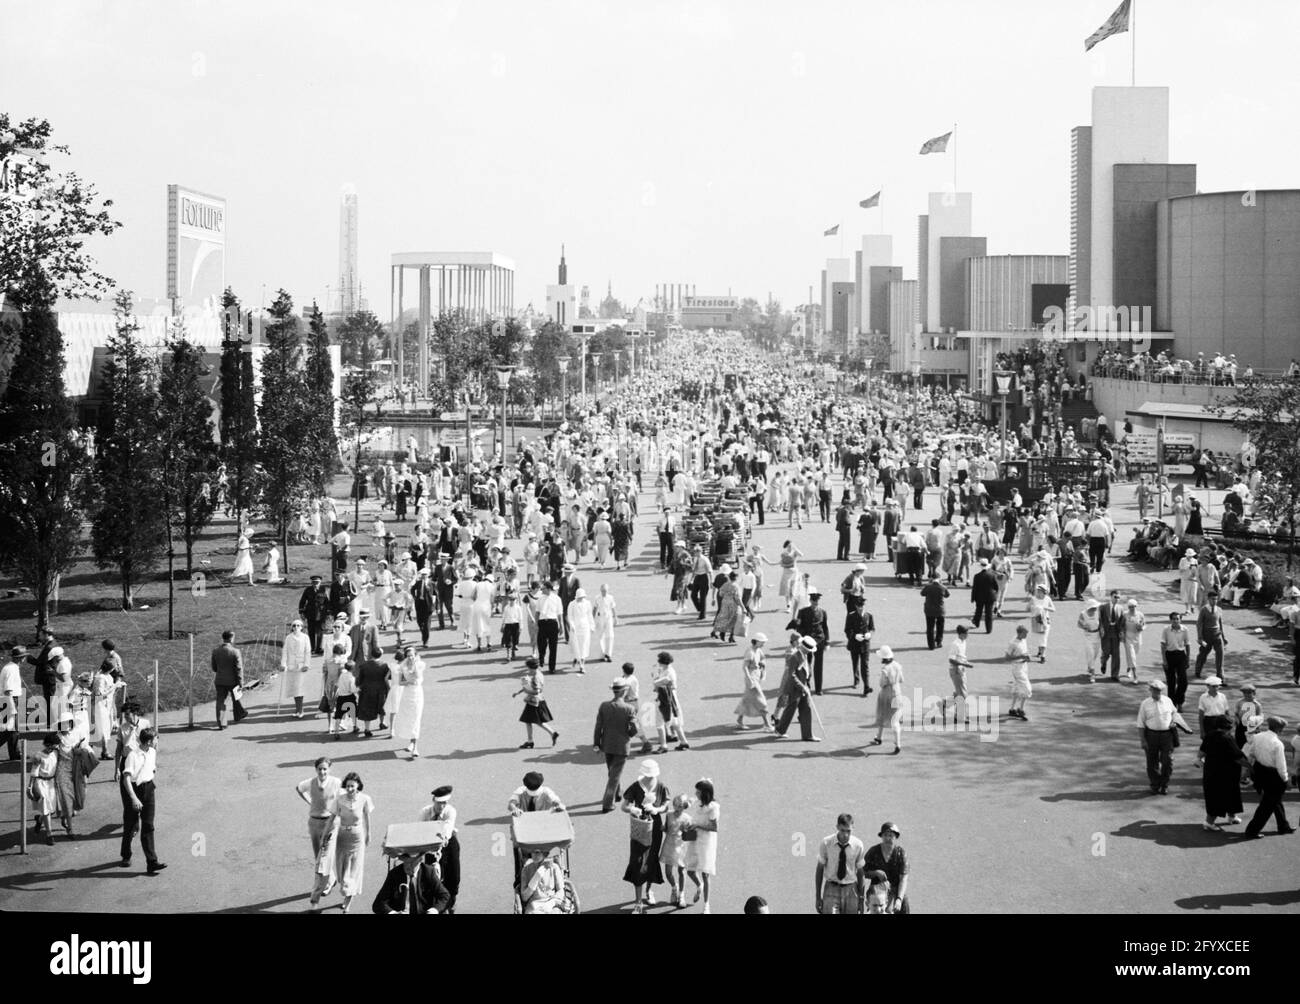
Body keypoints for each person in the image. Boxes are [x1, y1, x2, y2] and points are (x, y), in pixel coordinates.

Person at [622, 759, 670, 914]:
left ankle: (649, 890)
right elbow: (624, 806)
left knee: (651, 859)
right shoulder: (635, 786)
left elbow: (666, 805)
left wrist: (657, 809)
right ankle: (638, 902)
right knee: (638, 861)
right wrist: (632, 809)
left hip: (655, 827)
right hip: (640, 826)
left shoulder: (661, 786)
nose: (650, 777)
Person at [119, 727, 164, 874]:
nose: (157, 741)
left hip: (149, 789)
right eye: (156, 738)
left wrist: (149, 777)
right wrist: (134, 798)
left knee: (148, 825)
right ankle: (126, 855)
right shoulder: (132, 756)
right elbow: (126, 779)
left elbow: (152, 768)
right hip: (134, 790)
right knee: (130, 825)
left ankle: (152, 862)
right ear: (149, 741)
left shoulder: (152, 752)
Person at [296, 757, 341, 906]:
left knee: (325, 857)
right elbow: (299, 788)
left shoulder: (336, 782)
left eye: (325, 769)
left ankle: (326, 884)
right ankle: (331, 879)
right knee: (318, 856)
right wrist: (309, 801)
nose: (322, 772)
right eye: (320, 769)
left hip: (330, 823)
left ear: (329, 769)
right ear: (316, 769)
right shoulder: (310, 783)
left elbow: (344, 797)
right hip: (314, 823)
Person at [1136, 680, 1193, 795]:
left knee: (1167, 761)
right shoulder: (1145, 704)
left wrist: (1174, 721)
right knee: (1152, 762)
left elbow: (1174, 713)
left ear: (1161, 691)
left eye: (1159, 691)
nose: (1157, 693)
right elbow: (1141, 724)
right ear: (1150, 690)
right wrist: (1143, 740)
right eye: (1154, 690)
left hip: (1167, 735)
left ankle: (1164, 784)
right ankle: (1155, 785)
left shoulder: (1167, 701)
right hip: (1151, 735)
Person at [331, 771, 373, 913]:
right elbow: (332, 817)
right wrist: (326, 834)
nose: (349, 789)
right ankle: (347, 891)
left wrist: (368, 834)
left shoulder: (365, 799)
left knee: (354, 871)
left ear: (358, 786)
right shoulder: (339, 799)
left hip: (357, 838)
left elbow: (367, 817)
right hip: (342, 837)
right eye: (348, 786)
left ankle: (348, 901)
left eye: (352, 786)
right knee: (342, 870)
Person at [1244, 717, 1293, 837]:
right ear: (1279, 729)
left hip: (1259, 771)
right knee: (1266, 806)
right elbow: (1281, 766)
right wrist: (1285, 780)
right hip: (1273, 776)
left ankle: (1283, 826)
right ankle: (1252, 831)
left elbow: (1251, 753)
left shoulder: (1257, 737)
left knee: (1275, 800)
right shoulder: (1277, 744)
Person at [1197, 717, 1247, 831]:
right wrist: (1250, 767)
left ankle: (1232, 816)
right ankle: (1209, 822)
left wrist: (1199, 759)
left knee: (1229, 794)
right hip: (1226, 773)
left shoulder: (1210, 735)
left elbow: (1202, 751)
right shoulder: (1227, 738)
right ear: (1229, 726)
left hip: (1211, 770)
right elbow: (1238, 757)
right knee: (1219, 797)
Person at [594, 679, 637, 812]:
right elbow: (634, 729)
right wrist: (629, 734)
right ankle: (607, 804)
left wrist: (596, 744)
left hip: (607, 744)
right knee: (614, 776)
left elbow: (598, 727)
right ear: (624, 692)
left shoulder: (604, 706)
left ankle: (617, 794)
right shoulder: (629, 708)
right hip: (622, 746)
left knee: (612, 772)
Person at [417, 785, 461, 912]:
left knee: (454, 876)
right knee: (432, 877)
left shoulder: (450, 811)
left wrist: (440, 844)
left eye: (444, 803)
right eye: (439, 803)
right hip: (430, 845)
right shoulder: (424, 812)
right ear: (433, 800)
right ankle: (436, 905)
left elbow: (447, 830)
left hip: (448, 843)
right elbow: (419, 830)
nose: (442, 806)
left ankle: (451, 902)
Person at [815, 812, 866, 914]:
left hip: (851, 889)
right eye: (842, 830)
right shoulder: (826, 843)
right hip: (831, 888)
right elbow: (819, 869)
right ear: (837, 827)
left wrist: (861, 899)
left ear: (853, 828)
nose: (845, 834)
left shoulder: (858, 845)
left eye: (848, 831)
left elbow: (860, 873)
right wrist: (818, 897)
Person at [682, 778, 720, 914]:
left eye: (698, 791)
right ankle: (700, 886)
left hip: (706, 843)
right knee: (690, 870)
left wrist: (697, 825)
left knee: (705, 873)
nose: (696, 793)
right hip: (695, 839)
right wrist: (690, 824)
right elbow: (692, 813)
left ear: (705, 793)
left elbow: (714, 827)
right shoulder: (699, 803)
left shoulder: (714, 807)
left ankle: (706, 905)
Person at [371, 851, 451, 914]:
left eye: (412, 863)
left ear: (420, 860)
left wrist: (433, 911)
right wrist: (394, 913)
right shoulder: (394, 874)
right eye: (406, 862)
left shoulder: (428, 872)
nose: (408, 866)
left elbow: (445, 896)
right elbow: (378, 903)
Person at [774, 637, 820, 742]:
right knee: (790, 709)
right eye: (809, 649)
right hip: (794, 688)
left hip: (802, 687)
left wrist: (806, 685)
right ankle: (780, 730)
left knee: (806, 709)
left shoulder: (805, 655)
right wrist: (802, 686)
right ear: (804, 648)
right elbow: (791, 675)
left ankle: (807, 735)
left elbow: (805, 673)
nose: (810, 651)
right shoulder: (794, 657)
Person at [863, 822, 910, 914]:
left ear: (896, 837)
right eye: (885, 835)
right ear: (881, 836)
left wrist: (899, 899)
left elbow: (903, 879)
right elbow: (863, 872)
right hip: (877, 892)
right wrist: (875, 873)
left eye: (891, 835)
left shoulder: (901, 853)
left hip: (896, 891)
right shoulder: (873, 851)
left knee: (905, 903)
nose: (888, 838)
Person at [788, 588, 829, 694]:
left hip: (819, 640)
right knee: (806, 664)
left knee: (818, 666)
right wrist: (804, 636)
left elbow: (825, 627)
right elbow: (799, 627)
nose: (815, 603)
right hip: (807, 642)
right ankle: (806, 685)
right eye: (814, 601)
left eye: (817, 602)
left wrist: (827, 642)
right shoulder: (803, 612)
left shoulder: (823, 612)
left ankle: (819, 688)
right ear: (810, 601)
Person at [513, 657, 558, 749]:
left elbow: (536, 691)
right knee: (536, 721)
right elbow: (532, 686)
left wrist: (526, 691)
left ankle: (530, 741)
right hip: (540, 700)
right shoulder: (539, 674)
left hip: (534, 702)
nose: (527, 670)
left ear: (531, 667)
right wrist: (520, 691)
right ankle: (552, 733)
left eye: (528, 668)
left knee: (528, 721)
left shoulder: (535, 677)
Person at [651, 651, 690, 751]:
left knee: (659, 722)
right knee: (674, 721)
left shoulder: (668, 673)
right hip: (670, 697)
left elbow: (656, 683)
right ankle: (683, 742)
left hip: (665, 698)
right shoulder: (667, 670)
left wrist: (655, 677)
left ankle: (663, 745)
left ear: (663, 662)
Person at [392, 646, 426, 758]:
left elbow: (418, 676)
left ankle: (415, 747)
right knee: (409, 719)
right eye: (408, 656)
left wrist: (414, 665)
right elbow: (400, 682)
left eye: (412, 655)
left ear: (415, 655)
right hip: (407, 694)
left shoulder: (420, 664)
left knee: (416, 719)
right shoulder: (402, 666)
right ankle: (411, 742)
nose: (410, 658)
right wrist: (408, 682)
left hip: (417, 694)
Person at [734, 633, 772, 730]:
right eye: (762, 642)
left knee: (748, 700)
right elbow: (745, 667)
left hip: (756, 677)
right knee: (761, 701)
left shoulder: (758, 650)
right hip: (752, 679)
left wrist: (762, 666)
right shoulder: (750, 652)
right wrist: (750, 679)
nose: (763, 644)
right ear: (757, 641)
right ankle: (767, 724)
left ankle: (739, 720)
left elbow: (763, 659)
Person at [210, 630, 247, 729]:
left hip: (220, 680)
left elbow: (214, 668)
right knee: (236, 697)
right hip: (233, 680)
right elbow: (239, 668)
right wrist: (240, 682)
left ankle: (222, 723)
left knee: (220, 701)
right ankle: (238, 715)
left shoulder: (215, 651)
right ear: (231, 639)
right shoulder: (235, 651)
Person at [870, 646, 904, 753]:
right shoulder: (898, 666)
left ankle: (880, 737)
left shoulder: (885, 669)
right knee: (895, 720)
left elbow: (882, 684)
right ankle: (897, 743)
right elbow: (901, 679)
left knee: (882, 715)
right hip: (897, 693)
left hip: (886, 694)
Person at [280, 619, 312, 719]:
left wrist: (306, 664)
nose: (296, 627)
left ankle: (301, 710)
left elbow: (307, 652)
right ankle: (297, 709)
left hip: (301, 667)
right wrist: (283, 664)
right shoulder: (288, 637)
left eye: (298, 625)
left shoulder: (305, 637)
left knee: (299, 689)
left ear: (301, 627)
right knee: (294, 689)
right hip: (291, 666)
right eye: (294, 625)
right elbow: (285, 651)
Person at [354, 653, 390, 738]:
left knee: (367, 709)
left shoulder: (364, 665)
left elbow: (359, 679)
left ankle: (367, 729)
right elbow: (388, 677)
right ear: (380, 655)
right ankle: (382, 723)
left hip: (367, 689)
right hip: (381, 689)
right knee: (381, 707)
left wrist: (358, 686)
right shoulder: (384, 665)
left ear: (371, 655)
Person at [520, 848, 567, 914]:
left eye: (537, 852)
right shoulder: (526, 870)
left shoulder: (554, 867)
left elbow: (561, 891)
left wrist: (551, 903)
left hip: (552, 903)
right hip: (534, 905)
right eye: (532, 852)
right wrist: (537, 876)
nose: (534, 855)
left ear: (544, 853)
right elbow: (524, 897)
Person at [1194, 592, 1227, 681]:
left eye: (1216, 599)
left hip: (1217, 635)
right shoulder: (1204, 610)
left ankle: (1220, 676)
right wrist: (1200, 637)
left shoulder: (1219, 609)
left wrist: (1224, 637)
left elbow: (1220, 624)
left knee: (1220, 655)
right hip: (1206, 636)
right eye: (1212, 599)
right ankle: (1198, 670)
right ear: (1208, 599)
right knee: (1203, 654)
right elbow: (1199, 624)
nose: (1214, 601)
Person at [845, 601, 874, 695]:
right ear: (856, 606)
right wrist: (854, 636)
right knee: (855, 663)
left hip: (865, 644)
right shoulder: (851, 616)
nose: (861, 608)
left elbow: (872, 628)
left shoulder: (869, 615)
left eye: (862, 606)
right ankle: (856, 680)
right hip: (854, 644)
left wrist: (870, 634)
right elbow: (847, 630)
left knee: (865, 665)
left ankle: (866, 686)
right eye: (859, 606)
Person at [534, 579, 563, 674]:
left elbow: (559, 613)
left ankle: (552, 667)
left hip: (552, 623)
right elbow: (537, 612)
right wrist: (536, 623)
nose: (542, 590)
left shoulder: (557, 599)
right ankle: (541, 657)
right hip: (542, 623)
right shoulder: (540, 599)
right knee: (541, 644)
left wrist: (561, 625)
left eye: (543, 588)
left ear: (549, 589)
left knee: (553, 647)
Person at [947, 625, 974, 724]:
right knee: (963, 694)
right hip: (956, 671)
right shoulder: (955, 644)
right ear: (962, 634)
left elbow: (961, 656)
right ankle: (959, 717)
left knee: (959, 692)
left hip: (961, 670)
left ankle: (946, 704)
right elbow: (951, 659)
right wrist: (964, 664)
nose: (968, 635)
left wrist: (965, 662)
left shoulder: (963, 642)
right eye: (967, 633)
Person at [1006, 624, 1032, 721]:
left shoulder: (1023, 640)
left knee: (1017, 688)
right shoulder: (1013, 643)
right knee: (1027, 688)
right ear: (1020, 633)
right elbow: (1007, 658)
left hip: (1024, 666)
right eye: (1025, 633)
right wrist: (1021, 657)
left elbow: (1024, 652)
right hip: (1017, 668)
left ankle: (1012, 709)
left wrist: (1026, 656)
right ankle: (1021, 709)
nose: (1026, 635)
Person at [299, 575, 329, 655]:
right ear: (311, 583)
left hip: (321, 613)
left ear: (320, 582)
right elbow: (302, 601)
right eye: (314, 582)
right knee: (311, 631)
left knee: (320, 631)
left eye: (317, 582)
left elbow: (327, 602)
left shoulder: (324, 589)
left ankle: (319, 648)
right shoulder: (308, 590)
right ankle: (312, 648)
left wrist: (328, 613)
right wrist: (301, 612)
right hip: (310, 613)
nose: (315, 584)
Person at [567, 587, 595, 673]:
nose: (581, 599)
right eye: (579, 597)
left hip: (585, 627)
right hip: (575, 628)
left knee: (584, 646)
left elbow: (589, 615)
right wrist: (572, 625)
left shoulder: (588, 603)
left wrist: (592, 626)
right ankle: (577, 658)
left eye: (582, 597)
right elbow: (570, 616)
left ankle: (582, 665)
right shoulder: (571, 604)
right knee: (577, 645)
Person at [921, 573, 949, 651]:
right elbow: (947, 595)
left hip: (929, 610)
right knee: (940, 627)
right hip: (940, 610)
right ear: (939, 578)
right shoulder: (943, 587)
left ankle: (931, 645)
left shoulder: (928, 586)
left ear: (931, 579)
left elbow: (922, 593)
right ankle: (939, 641)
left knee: (930, 627)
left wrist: (928, 584)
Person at [1028, 583, 1055, 663]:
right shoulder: (1033, 599)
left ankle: (1043, 656)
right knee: (1039, 638)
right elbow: (1027, 608)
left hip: (1045, 621)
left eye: (1040, 591)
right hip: (1036, 620)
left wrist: (1044, 607)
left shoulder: (1047, 599)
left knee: (1043, 638)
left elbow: (1053, 609)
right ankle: (1040, 651)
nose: (1038, 593)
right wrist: (1033, 608)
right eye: (1037, 591)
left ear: (1044, 592)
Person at [970, 557, 998, 634]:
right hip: (990, 596)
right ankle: (989, 629)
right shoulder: (992, 575)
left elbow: (974, 588)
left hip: (980, 596)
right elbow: (996, 587)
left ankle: (976, 622)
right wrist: (995, 594)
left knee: (978, 610)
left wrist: (973, 598)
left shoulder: (977, 576)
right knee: (989, 613)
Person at [593, 583, 618, 662]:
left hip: (608, 617)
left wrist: (615, 618)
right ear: (600, 590)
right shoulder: (597, 598)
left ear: (607, 591)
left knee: (610, 635)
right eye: (602, 591)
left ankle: (608, 654)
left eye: (605, 591)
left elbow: (613, 608)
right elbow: (594, 608)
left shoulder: (610, 598)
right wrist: (592, 619)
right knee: (600, 636)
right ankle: (602, 654)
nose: (604, 592)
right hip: (600, 618)